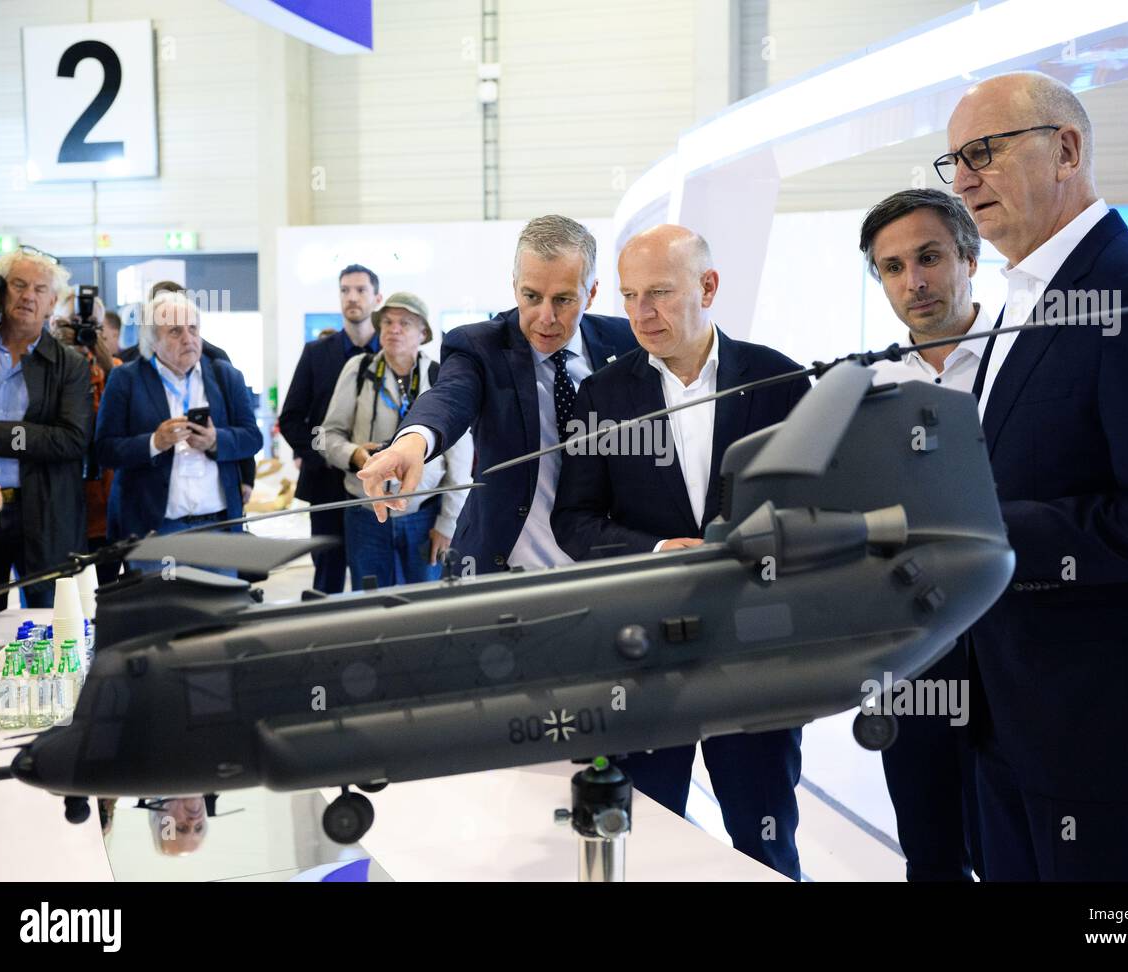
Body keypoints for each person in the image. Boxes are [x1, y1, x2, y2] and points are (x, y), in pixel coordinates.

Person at [938, 71, 1128, 880]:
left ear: (1066, 149)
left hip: (1107, 727)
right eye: (953, 161)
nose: (964, 177)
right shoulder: (1026, 295)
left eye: (983, 151)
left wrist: (974, 529)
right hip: (1012, 709)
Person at [551, 225, 811, 880]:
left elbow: (817, 508)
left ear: (709, 287)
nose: (641, 313)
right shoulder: (602, 398)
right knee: (652, 832)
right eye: (632, 295)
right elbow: (575, 520)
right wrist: (663, 549)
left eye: (660, 293)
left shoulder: (780, 381)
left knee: (764, 834)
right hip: (647, 653)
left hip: (753, 648)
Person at [358, 216, 636, 573]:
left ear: (592, 292)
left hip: (602, 568)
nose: (545, 317)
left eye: (564, 299)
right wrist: (413, 442)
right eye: (531, 296)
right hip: (502, 566)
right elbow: (451, 396)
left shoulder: (626, 343)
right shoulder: (479, 346)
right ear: (515, 285)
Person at [858, 188, 990, 882]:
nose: (914, 281)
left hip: (1023, 649)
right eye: (892, 267)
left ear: (969, 256)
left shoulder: (1020, 360)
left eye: (930, 257)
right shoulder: (866, 386)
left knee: (1017, 847)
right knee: (931, 851)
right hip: (915, 655)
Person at [0, 247, 91, 624]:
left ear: (52, 302)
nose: (28, 296)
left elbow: (70, 439)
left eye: (40, 289)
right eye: (19, 285)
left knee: (49, 623)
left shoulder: (68, 364)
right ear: (2, 292)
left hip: (43, 511)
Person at [320, 291, 473, 588]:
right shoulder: (359, 370)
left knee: (425, 608)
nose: (393, 329)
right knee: (372, 608)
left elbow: (460, 460)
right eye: (387, 322)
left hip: (423, 516)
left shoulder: (441, 376)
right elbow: (324, 437)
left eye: (405, 323)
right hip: (365, 516)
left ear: (423, 332)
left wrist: (447, 523)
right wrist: (354, 455)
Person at [95, 292, 262, 562]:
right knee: (162, 605)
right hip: (155, 531)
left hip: (217, 527)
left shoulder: (226, 376)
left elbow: (253, 438)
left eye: (193, 329)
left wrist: (215, 440)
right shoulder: (125, 379)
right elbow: (104, 450)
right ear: (152, 340)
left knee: (221, 604)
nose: (188, 339)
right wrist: (154, 443)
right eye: (175, 331)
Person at [280, 265, 383, 593]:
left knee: (374, 577)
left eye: (361, 290)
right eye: (345, 290)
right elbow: (294, 418)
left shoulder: (389, 354)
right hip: (327, 484)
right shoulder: (316, 354)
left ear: (376, 298)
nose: (352, 297)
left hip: (378, 482)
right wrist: (323, 452)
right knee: (328, 576)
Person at [120, 280, 257, 504]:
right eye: (172, 327)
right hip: (150, 499)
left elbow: (245, 429)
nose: (186, 337)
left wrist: (246, 476)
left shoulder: (218, 364)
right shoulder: (127, 370)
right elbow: (109, 445)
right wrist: (154, 442)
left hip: (214, 496)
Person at [53, 288, 123, 585]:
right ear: (57, 324)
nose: (83, 332)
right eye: (74, 324)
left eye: (92, 326)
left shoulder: (115, 372)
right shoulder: (46, 370)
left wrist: (102, 357)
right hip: (60, 511)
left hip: (106, 514)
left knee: (105, 599)